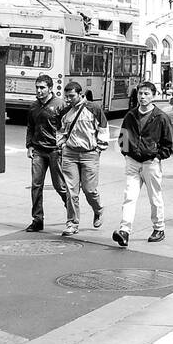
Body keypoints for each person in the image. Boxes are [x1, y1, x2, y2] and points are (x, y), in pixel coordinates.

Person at [115, 81, 173, 247]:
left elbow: (168, 143)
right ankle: (124, 231)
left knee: (155, 197)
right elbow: (123, 137)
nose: (142, 97)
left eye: (146, 94)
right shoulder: (131, 115)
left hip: (151, 162)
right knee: (129, 197)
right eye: (140, 93)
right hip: (133, 162)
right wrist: (126, 154)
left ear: (153, 96)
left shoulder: (161, 117)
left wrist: (157, 156)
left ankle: (158, 228)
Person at [56, 81, 109, 236]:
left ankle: (98, 209)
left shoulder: (94, 108)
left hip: (89, 154)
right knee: (71, 191)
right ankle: (72, 223)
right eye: (66, 96)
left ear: (81, 94)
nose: (69, 99)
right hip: (70, 154)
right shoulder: (65, 110)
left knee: (89, 190)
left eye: (72, 96)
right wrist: (62, 145)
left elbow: (103, 129)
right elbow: (60, 130)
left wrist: (99, 148)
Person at [25, 74, 68, 232]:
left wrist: (64, 146)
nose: (39, 90)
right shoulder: (33, 106)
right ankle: (37, 219)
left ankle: (71, 213)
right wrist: (29, 146)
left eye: (42, 87)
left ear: (50, 88)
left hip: (55, 151)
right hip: (38, 151)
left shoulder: (60, 105)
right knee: (36, 186)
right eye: (37, 87)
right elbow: (30, 127)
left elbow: (67, 126)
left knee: (60, 186)